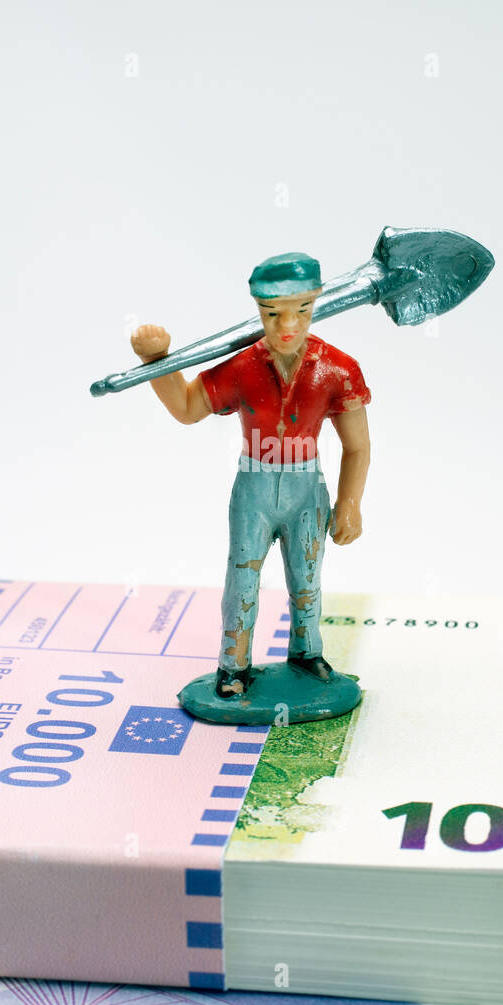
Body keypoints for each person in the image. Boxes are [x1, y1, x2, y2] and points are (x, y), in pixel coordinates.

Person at [130, 253, 371, 699]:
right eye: (272, 313)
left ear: (317, 303)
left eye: (301, 311)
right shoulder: (242, 368)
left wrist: (350, 503)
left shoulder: (338, 369)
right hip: (254, 488)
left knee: (308, 579)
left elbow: (356, 446)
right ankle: (233, 665)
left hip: (306, 487)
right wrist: (156, 361)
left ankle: (307, 652)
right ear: (257, 309)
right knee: (242, 578)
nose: (287, 326)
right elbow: (186, 408)